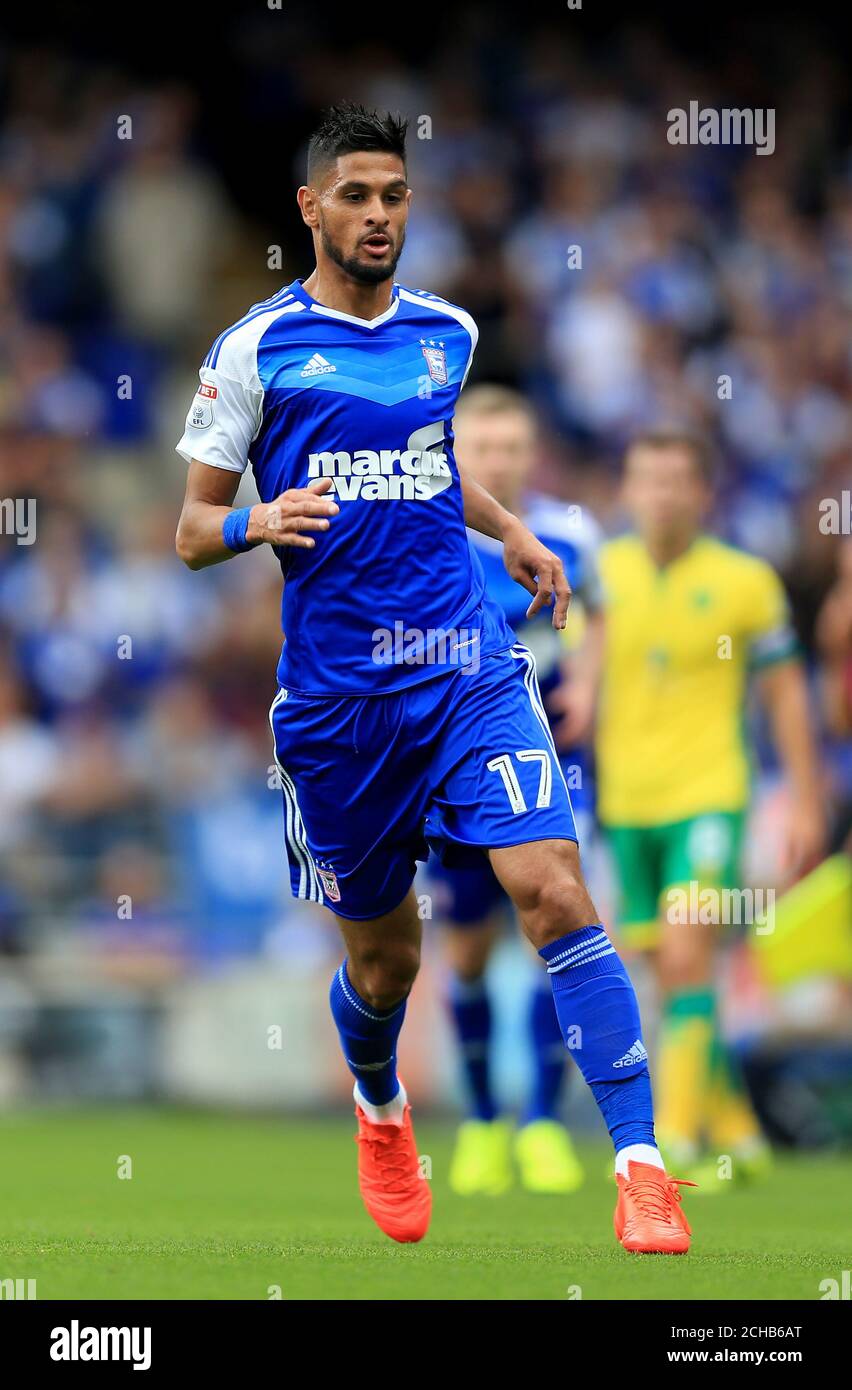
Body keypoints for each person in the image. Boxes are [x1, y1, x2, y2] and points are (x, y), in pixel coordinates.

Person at [175, 103, 692, 1253]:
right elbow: (193, 532)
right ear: (310, 209)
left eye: (393, 196)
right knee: (384, 961)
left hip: (466, 666)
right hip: (341, 705)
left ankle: (642, 1163)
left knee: (552, 884)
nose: (376, 216)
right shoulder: (255, 348)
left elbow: (433, 465)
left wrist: (508, 528)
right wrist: (262, 514)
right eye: (354, 196)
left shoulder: (446, 334)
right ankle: (380, 1105)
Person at [596, 429, 826, 1188]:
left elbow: (787, 691)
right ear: (627, 490)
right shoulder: (600, 574)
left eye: (676, 482)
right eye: (647, 480)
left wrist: (805, 798)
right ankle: (738, 1134)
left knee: (691, 954)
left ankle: (671, 1141)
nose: (661, 495)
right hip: (626, 804)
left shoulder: (745, 581)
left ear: (702, 493)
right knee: (670, 977)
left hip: (710, 796)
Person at [428, 384, 603, 1197]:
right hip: (459, 766)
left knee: (555, 934)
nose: (500, 461)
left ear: (533, 455)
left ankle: (540, 1122)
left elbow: (598, 613)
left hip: (553, 765)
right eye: (484, 449)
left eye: (513, 448)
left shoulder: (568, 533)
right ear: (463, 456)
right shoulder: (435, 533)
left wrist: (591, 687)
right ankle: (481, 1124)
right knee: (465, 950)